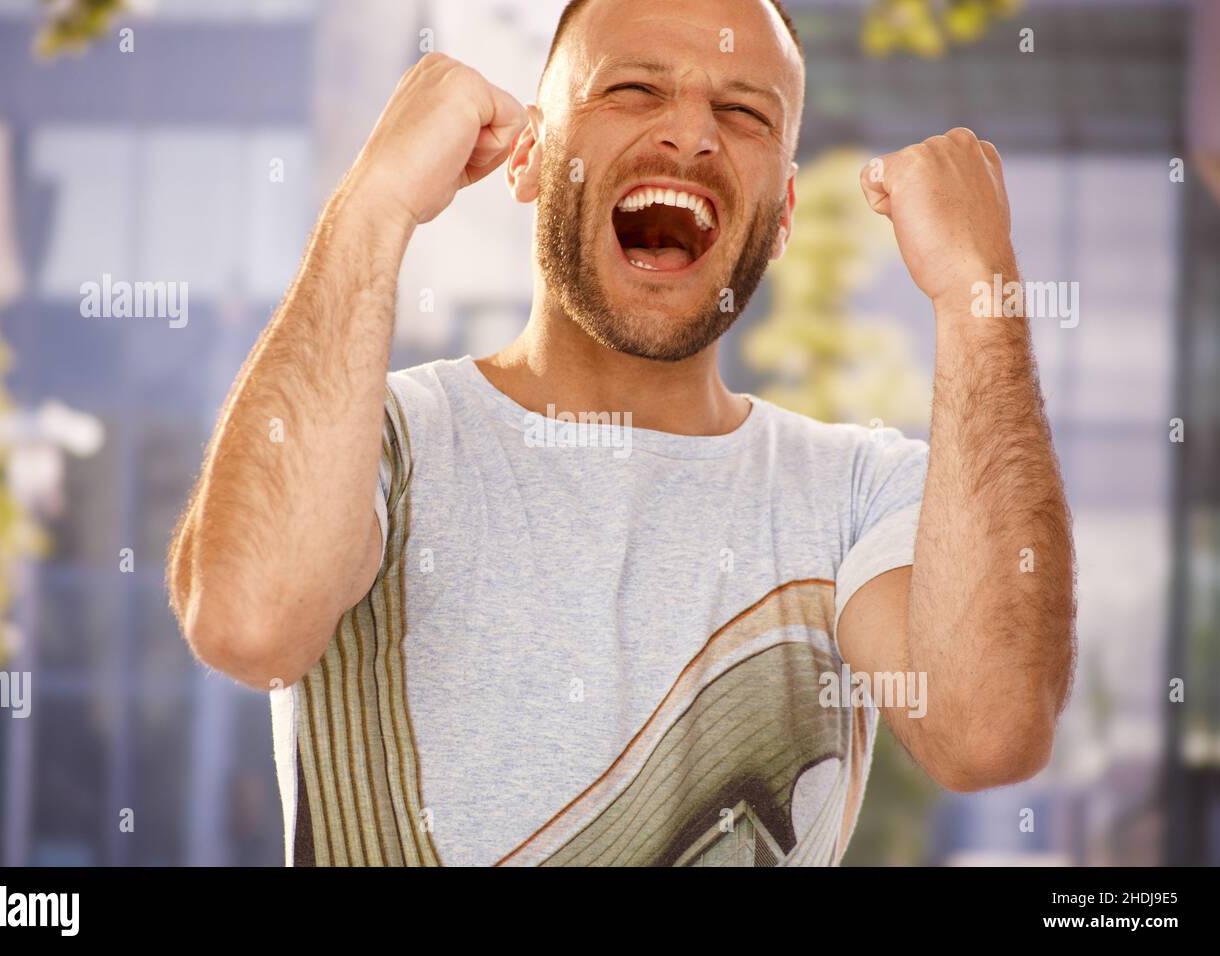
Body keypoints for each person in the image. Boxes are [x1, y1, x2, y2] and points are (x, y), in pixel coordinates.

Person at [167, 0, 1075, 866]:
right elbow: (249, 624)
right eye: (633, 90)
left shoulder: (860, 496)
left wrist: (978, 298)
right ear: (526, 158)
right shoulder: (383, 440)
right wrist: (372, 202)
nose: (691, 131)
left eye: (744, 111)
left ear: (785, 215)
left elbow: (986, 731)